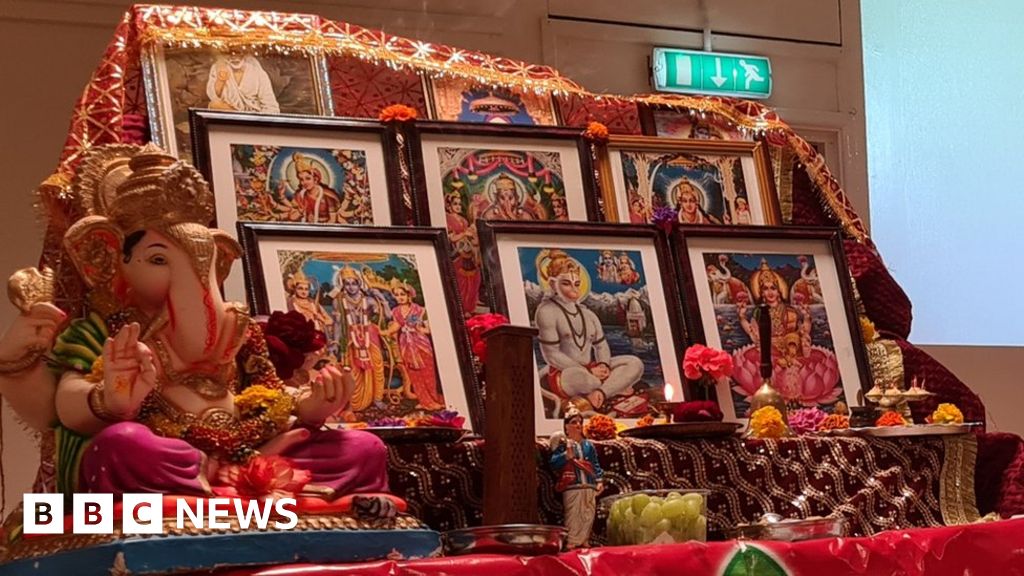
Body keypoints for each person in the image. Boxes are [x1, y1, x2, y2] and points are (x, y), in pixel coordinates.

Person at [534, 250, 644, 411]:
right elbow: (552, 355)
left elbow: (601, 346)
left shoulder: (588, 314)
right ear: (552, 284)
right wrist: (588, 370)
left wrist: (604, 365)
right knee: (583, 378)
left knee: (635, 363)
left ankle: (600, 392)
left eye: (576, 284)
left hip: (593, 368)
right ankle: (616, 387)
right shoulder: (546, 311)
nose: (574, 289)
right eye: (566, 283)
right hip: (566, 373)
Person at [737, 259, 812, 370]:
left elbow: (803, 332)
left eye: (773, 288)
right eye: (765, 289)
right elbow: (753, 332)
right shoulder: (759, 312)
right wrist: (742, 317)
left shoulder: (789, 310)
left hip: (792, 348)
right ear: (762, 293)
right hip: (769, 351)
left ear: (778, 291)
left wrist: (806, 317)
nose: (770, 292)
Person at [331, 266, 388, 412]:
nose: (351, 287)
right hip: (350, 337)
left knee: (377, 367)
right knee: (353, 370)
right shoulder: (339, 302)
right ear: (343, 285)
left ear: (359, 284)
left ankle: (377, 399)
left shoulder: (369, 300)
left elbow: (387, 317)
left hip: (370, 336)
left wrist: (383, 300)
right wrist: (336, 342)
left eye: (354, 283)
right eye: (347, 284)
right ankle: (355, 401)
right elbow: (337, 324)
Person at [383, 279, 444, 411]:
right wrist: (384, 332)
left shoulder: (419, 310)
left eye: (402, 294)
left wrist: (420, 330)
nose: (400, 297)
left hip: (421, 344)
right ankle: (424, 400)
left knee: (428, 372)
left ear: (409, 295)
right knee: (414, 374)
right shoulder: (396, 311)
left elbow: (428, 328)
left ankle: (432, 399)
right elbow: (396, 325)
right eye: (397, 295)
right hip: (406, 345)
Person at [549, 407, 603, 549]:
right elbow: (554, 463)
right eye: (573, 422)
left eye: (580, 422)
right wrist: (566, 456)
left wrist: (599, 481)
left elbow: (594, 464)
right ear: (566, 426)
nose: (578, 425)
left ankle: (584, 539)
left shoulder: (588, 445)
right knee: (573, 514)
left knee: (588, 513)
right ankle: (572, 541)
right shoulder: (563, 444)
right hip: (573, 485)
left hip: (589, 486)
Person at [444, 189, 481, 316]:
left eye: (459, 204)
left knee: (474, 278)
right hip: (456, 254)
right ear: (448, 206)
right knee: (460, 281)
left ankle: (469, 308)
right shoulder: (446, 219)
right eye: (455, 204)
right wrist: (465, 233)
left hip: (468, 253)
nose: (458, 207)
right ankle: (459, 308)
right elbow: (451, 238)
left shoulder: (463, 220)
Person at [278, 153, 343, 224]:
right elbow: (292, 216)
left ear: (316, 179)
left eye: (308, 178)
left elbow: (333, 220)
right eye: (301, 179)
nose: (304, 182)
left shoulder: (328, 196)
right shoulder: (300, 195)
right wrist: (282, 195)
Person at [206, 53, 281, 114]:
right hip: (229, 121)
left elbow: (271, 106)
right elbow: (213, 97)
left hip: (254, 120)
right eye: (230, 52)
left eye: (238, 52)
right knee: (215, 104)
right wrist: (221, 80)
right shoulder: (218, 67)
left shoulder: (258, 73)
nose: (234, 55)